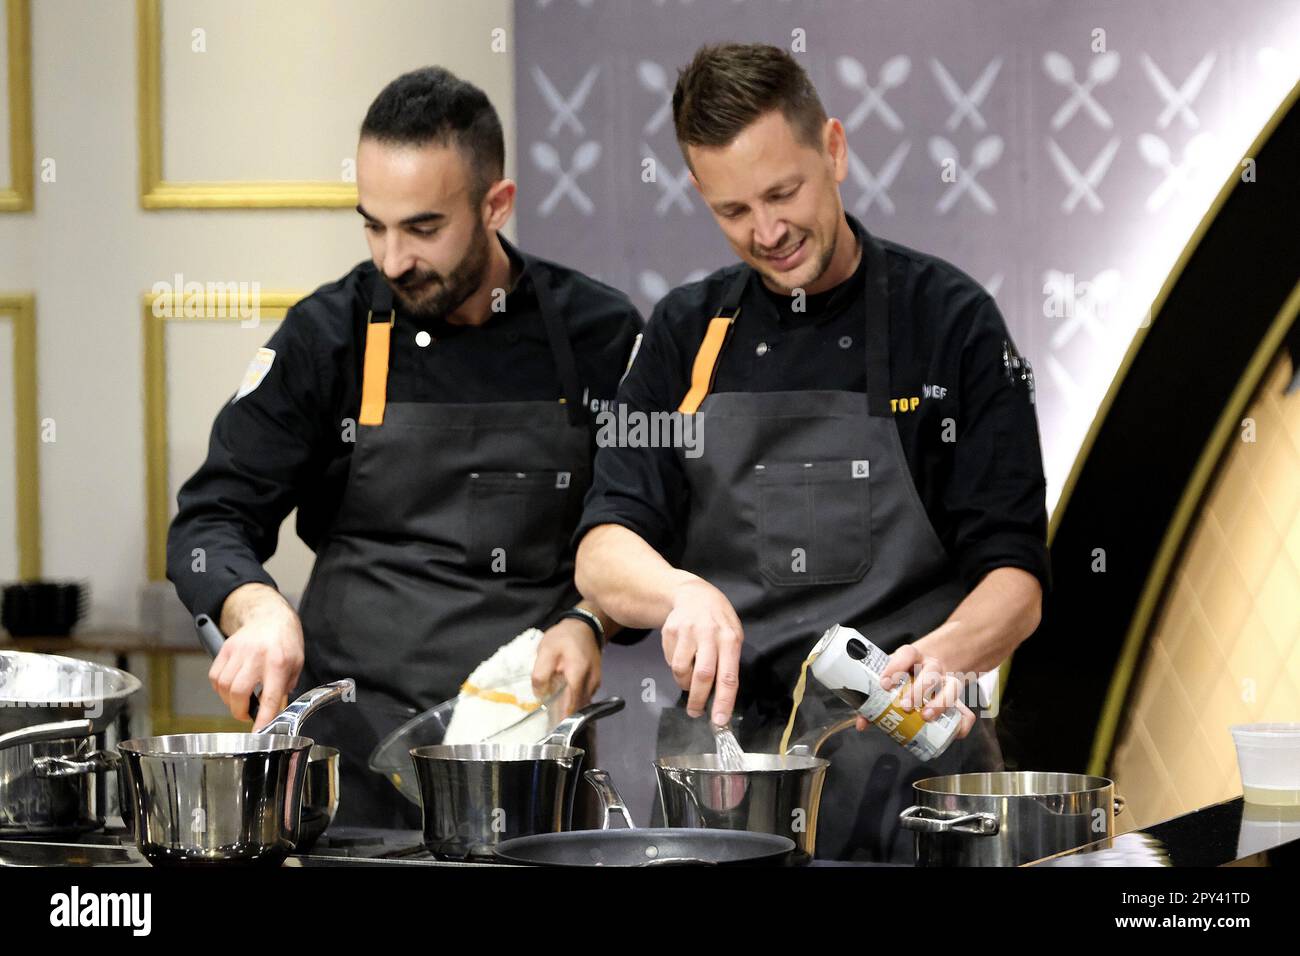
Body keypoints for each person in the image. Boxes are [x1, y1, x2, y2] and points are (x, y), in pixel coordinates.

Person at [573, 43, 1048, 861]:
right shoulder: (681, 339)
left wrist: (940, 656)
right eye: (732, 211)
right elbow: (602, 550)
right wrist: (678, 592)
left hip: (907, 776)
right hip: (724, 792)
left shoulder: (950, 325)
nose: (767, 231)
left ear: (833, 148)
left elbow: (1015, 580)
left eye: (783, 192)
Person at [168, 67, 640, 827]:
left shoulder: (597, 335)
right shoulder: (329, 336)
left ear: (497, 205)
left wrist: (590, 620)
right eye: (372, 225)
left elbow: (642, 521)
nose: (392, 260)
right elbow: (209, 519)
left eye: (422, 228)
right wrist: (256, 609)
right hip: (346, 767)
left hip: (522, 768)